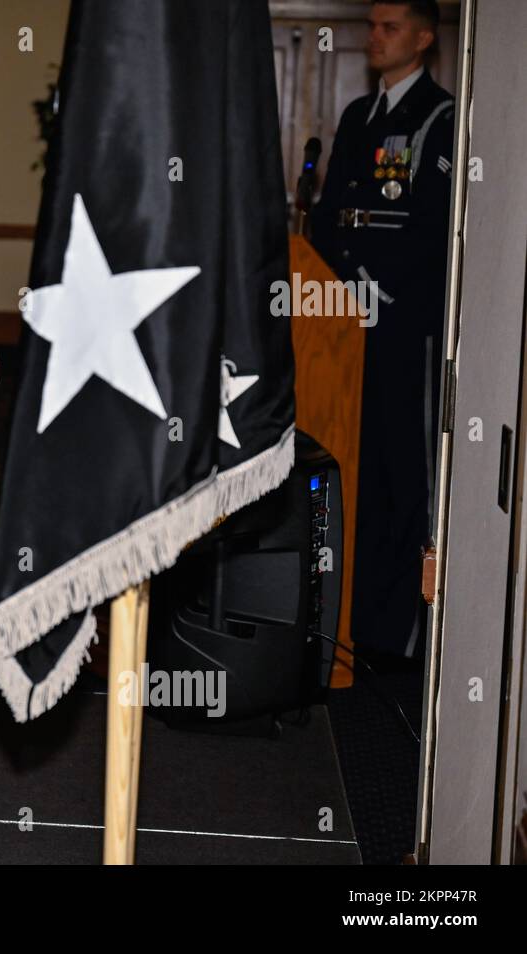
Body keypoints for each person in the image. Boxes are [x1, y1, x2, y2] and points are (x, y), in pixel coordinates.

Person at [310, 0, 453, 662]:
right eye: (371, 26)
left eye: (390, 27)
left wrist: (375, 275)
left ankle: (407, 632)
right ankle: (356, 620)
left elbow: (432, 226)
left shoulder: (440, 118)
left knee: (408, 471)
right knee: (357, 466)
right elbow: (331, 212)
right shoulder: (357, 116)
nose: (374, 38)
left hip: (404, 324)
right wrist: (346, 271)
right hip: (348, 323)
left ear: (424, 38)